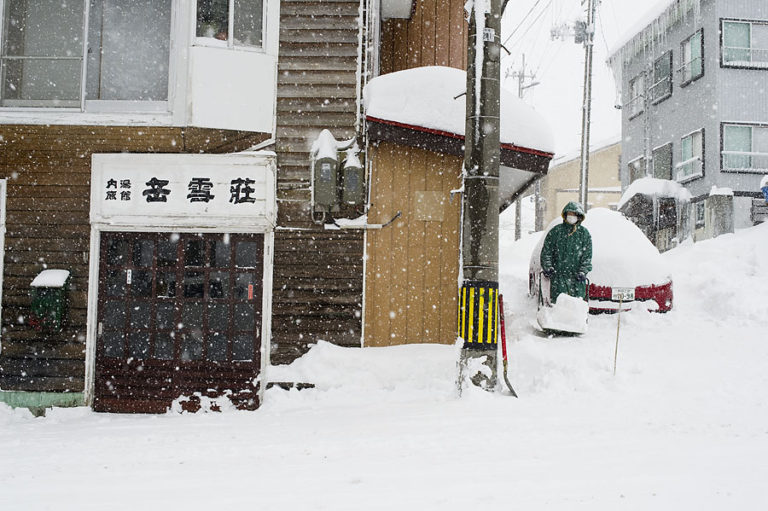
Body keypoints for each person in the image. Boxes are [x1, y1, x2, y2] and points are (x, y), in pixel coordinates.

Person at [540, 201, 593, 304]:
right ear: (565, 215)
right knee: (559, 306)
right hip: (558, 277)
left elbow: (587, 256)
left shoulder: (584, 234)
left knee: (576, 307)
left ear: (578, 216)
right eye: (569, 214)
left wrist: (583, 271)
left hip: (577, 279)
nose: (571, 216)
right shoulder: (556, 232)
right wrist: (548, 267)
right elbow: (547, 251)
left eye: (574, 214)